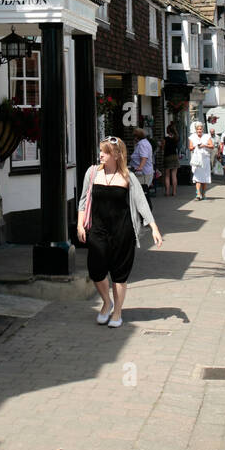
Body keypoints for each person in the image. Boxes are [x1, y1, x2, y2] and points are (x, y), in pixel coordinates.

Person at [77, 136, 163, 327]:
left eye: (105, 152)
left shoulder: (128, 176)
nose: (101, 154)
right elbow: (83, 200)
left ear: (116, 155)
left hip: (122, 231)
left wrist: (154, 228)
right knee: (96, 270)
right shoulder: (92, 173)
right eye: (101, 150)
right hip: (98, 231)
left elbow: (142, 203)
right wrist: (80, 224)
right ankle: (106, 303)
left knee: (119, 275)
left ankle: (117, 312)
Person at [189, 121, 213, 200]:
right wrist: (196, 146)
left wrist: (204, 145)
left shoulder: (207, 136)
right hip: (197, 160)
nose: (199, 131)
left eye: (200, 129)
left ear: (202, 129)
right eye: (198, 129)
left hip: (205, 159)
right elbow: (190, 148)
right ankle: (198, 194)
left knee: (205, 178)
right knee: (197, 177)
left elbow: (212, 146)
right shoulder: (192, 137)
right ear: (196, 130)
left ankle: (203, 193)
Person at [163, 122, 179, 197]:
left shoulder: (165, 139)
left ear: (167, 130)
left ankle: (167, 192)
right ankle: (175, 192)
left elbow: (163, 148)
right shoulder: (176, 138)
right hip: (174, 156)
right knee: (174, 175)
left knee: (167, 176)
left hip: (167, 156)